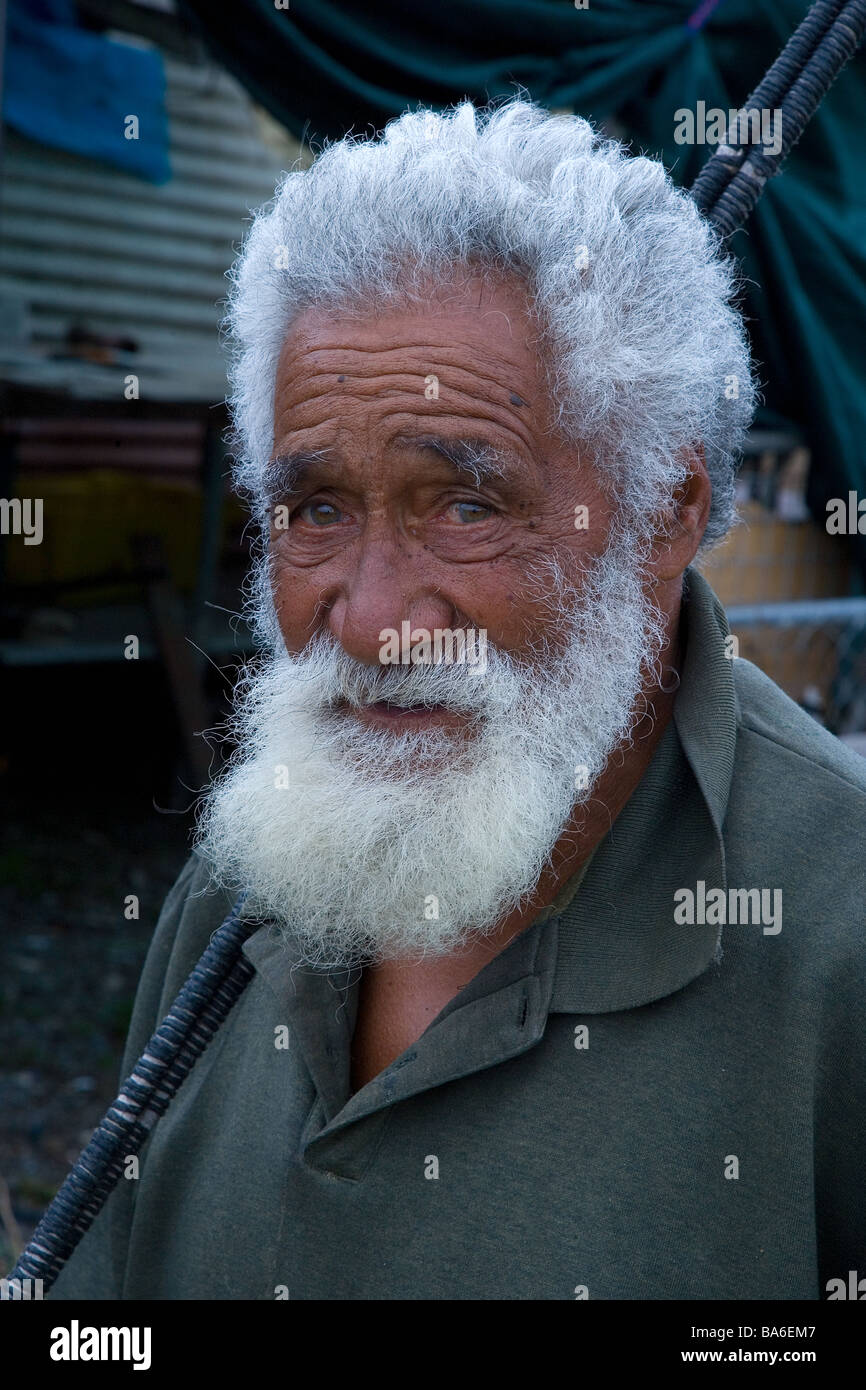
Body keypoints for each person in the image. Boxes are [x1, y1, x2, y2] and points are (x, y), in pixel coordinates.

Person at [49, 98, 866, 1301]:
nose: (371, 618)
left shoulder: (836, 935)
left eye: (465, 506)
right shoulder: (248, 884)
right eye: (316, 508)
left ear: (664, 514)